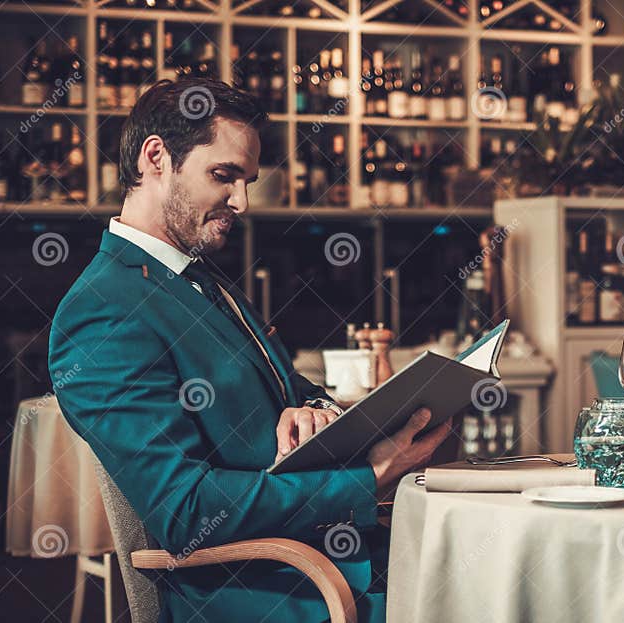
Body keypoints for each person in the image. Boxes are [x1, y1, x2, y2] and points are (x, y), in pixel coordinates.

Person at [48, 78, 451, 623]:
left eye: (247, 181)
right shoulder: (100, 311)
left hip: (331, 556)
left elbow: (295, 389)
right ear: (156, 157)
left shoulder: (198, 277)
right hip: (260, 589)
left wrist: (315, 413)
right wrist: (368, 478)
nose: (241, 201)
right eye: (224, 176)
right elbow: (186, 512)